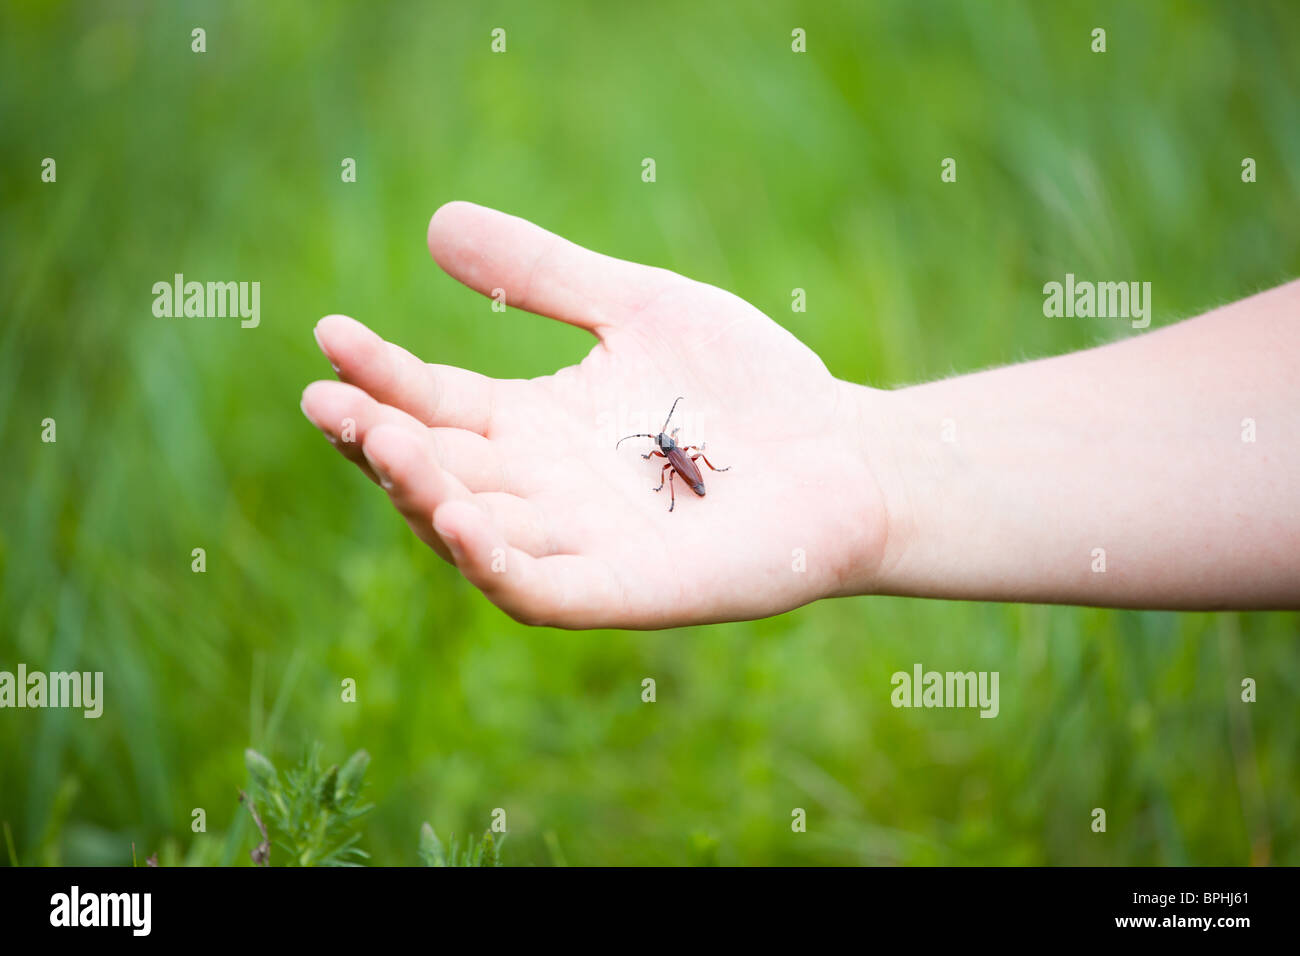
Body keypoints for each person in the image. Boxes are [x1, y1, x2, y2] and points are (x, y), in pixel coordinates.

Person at [300, 201, 1300, 628]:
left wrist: (846, 447)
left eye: (671, 451)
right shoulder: (675, 453)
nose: (672, 457)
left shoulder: (678, 451)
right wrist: (868, 449)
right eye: (667, 454)